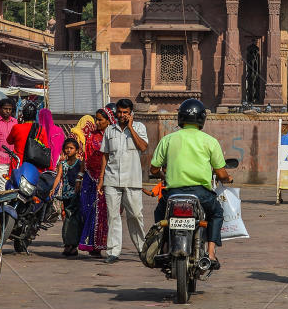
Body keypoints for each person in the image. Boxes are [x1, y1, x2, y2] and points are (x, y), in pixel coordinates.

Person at [148, 97, 232, 269]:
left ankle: (163, 246)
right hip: (200, 194)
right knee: (216, 213)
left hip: (172, 194)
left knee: (159, 214)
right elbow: (221, 173)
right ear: (202, 119)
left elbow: (154, 169)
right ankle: (211, 253)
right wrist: (227, 178)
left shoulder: (168, 139)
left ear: (181, 118)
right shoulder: (210, 141)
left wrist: (163, 175)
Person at [99, 98, 148, 264]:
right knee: (113, 216)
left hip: (132, 180)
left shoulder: (140, 127)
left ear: (131, 113)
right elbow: (105, 155)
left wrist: (131, 128)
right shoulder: (109, 130)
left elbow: (143, 147)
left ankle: (142, 249)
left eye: (125, 113)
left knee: (135, 215)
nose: (122, 115)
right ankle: (113, 251)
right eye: (119, 112)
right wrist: (101, 179)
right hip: (111, 179)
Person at [77, 110, 111, 257]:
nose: (97, 123)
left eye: (100, 120)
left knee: (101, 213)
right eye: (96, 120)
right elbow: (85, 157)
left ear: (109, 120)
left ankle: (98, 246)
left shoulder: (112, 136)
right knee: (86, 210)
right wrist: (79, 176)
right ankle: (89, 242)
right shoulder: (91, 135)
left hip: (106, 178)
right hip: (89, 177)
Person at [52, 136, 84, 257]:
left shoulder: (80, 164)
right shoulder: (62, 164)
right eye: (66, 148)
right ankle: (67, 244)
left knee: (74, 220)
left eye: (71, 148)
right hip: (65, 195)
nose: (68, 150)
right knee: (67, 220)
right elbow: (58, 177)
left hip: (76, 195)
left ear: (76, 150)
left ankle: (73, 245)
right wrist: (53, 189)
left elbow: (81, 178)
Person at [6, 101, 42, 169]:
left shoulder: (17, 127)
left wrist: (19, 123)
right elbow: (45, 147)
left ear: (23, 115)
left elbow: (9, 141)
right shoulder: (40, 129)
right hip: (34, 165)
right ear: (35, 115)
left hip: (18, 164)